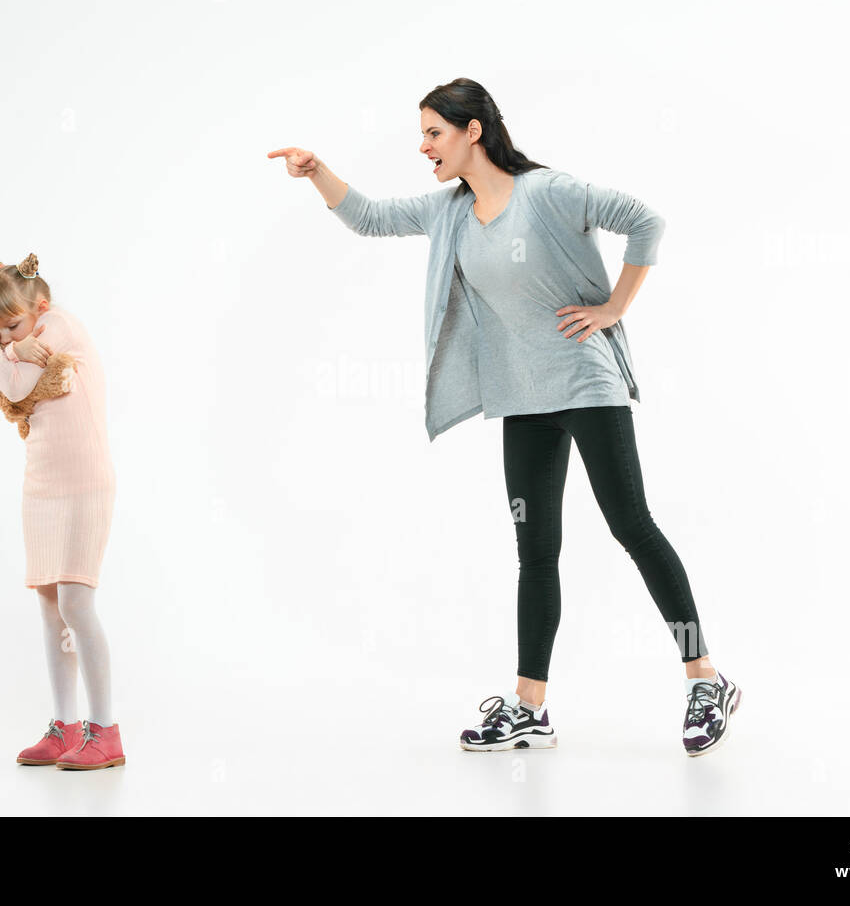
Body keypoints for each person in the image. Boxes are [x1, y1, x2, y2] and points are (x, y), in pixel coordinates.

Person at [268, 78, 742, 758]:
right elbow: (370, 217)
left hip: (586, 384)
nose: (424, 146)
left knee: (631, 526)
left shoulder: (548, 192)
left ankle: (705, 678)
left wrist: (613, 309)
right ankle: (530, 708)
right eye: (422, 134)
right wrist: (317, 172)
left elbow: (646, 221)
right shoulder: (451, 211)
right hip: (521, 399)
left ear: (474, 132)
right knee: (535, 552)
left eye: (433, 132)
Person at [0, 253, 125, 770]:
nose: (5, 336)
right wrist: (3, 344)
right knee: (52, 606)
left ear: (40, 306)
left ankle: (105, 731)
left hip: (83, 483)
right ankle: (65, 726)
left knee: (77, 603)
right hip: (42, 486)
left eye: (12, 325)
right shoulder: (17, 342)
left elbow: (12, 386)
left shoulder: (58, 326)